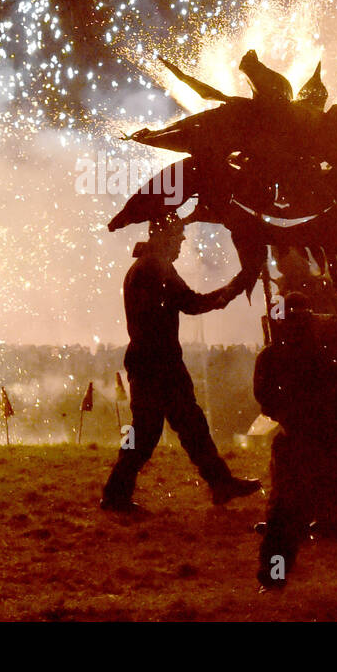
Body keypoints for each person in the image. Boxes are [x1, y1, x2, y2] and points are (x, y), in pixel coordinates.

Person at [101, 214, 260, 513]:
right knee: (157, 432)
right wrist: (236, 287)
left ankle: (220, 483)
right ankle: (115, 496)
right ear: (165, 236)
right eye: (178, 235)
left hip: (155, 363)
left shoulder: (147, 267)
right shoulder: (155, 268)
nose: (183, 241)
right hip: (158, 366)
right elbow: (192, 303)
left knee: (188, 427)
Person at [253, 292, 337, 589]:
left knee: (290, 522)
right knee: (308, 520)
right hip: (319, 444)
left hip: (311, 444)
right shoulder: (292, 355)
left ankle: (275, 580)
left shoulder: (283, 355)